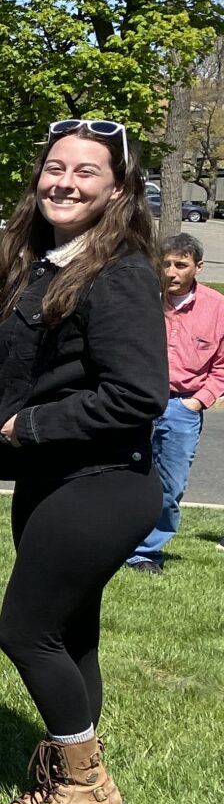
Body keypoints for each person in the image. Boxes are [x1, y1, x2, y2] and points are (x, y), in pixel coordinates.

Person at [0, 118, 167, 804]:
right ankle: (60, 785)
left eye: (87, 172)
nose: (66, 182)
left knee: (25, 632)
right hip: (53, 483)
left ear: (117, 188)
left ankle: (91, 791)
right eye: (56, 168)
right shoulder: (47, 263)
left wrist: (31, 426)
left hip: (103, 481)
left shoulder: (119, 271)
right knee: (71, 634)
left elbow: (140, 394)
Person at [124, 232, 223, 574]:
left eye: (180, 265)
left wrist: (197, 403)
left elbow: (222, 366)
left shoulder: (217, 308)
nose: (170, 272)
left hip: (182, 409)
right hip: (134, 404)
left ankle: (146, 552)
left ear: (198, 267)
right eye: (164, 264)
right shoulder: (142, 300)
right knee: (122, 477)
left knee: (171, 485)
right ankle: (110, 542)